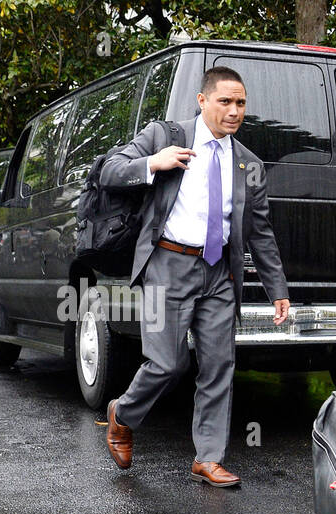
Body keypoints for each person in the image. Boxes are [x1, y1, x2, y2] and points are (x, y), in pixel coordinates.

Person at [102, 66, 291, 487]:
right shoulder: (164, 137)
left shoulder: (249, 163)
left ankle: (208, 457)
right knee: (167, 364)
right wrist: (154, 162)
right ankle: (123, 414)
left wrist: (278, 289)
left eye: (241, 103)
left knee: (220, 365)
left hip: (218, 272)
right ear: (202, 101)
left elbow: (260, 231)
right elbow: (110, 170)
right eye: (225, 101)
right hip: (166, 267)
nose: (234, 111)